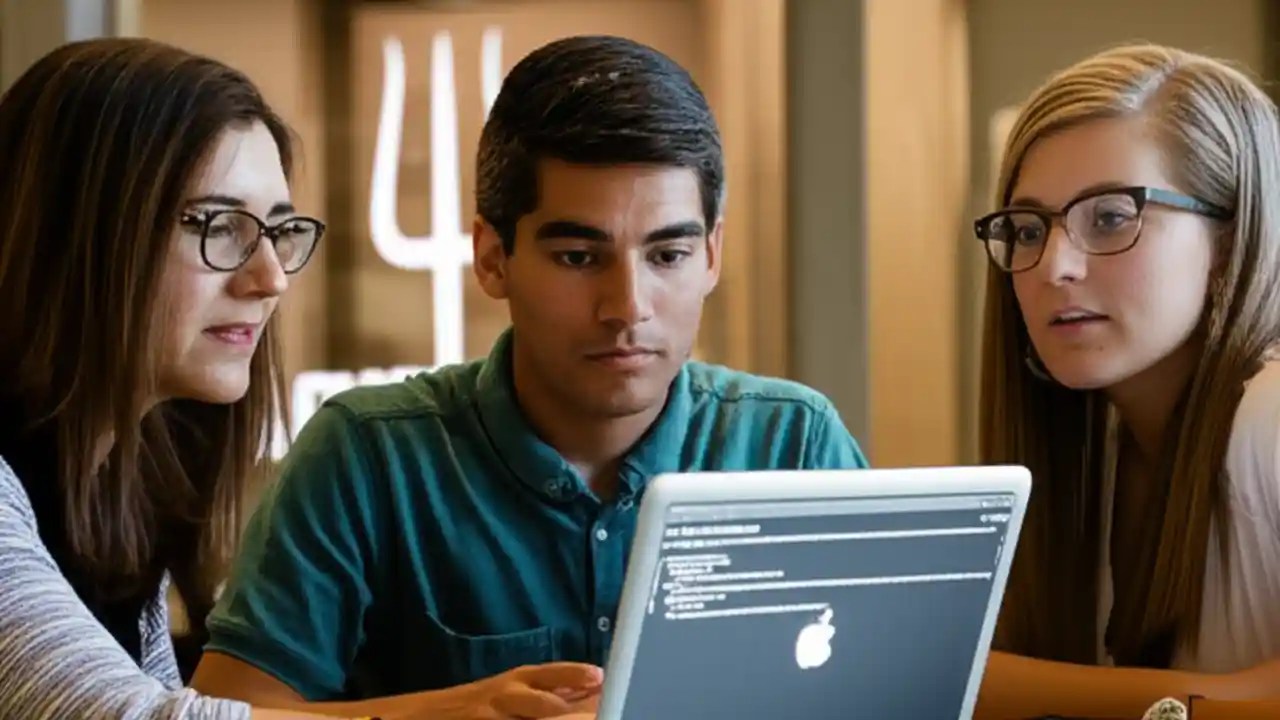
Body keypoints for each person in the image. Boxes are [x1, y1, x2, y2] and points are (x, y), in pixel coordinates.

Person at [190, 34, 868, 716]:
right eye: (578, 257)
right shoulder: (369, 457)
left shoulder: (794, 446)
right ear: (492, 257)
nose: (627, 307)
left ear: (712, 256)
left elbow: (900, 682)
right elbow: (227, 711)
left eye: (668, 255)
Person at [0, 36, 598, 720]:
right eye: (218, 226)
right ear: (78, 233)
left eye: (279, 232)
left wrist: (479, 702)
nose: (270, 278)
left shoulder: (120, 486)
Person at [970, 43, 1280, 719]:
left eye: (1109, 217)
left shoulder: (1270, 418)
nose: (1055, 267)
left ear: (1228, 238)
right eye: (1028, 229)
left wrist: (974, 680)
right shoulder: (1096, 454)